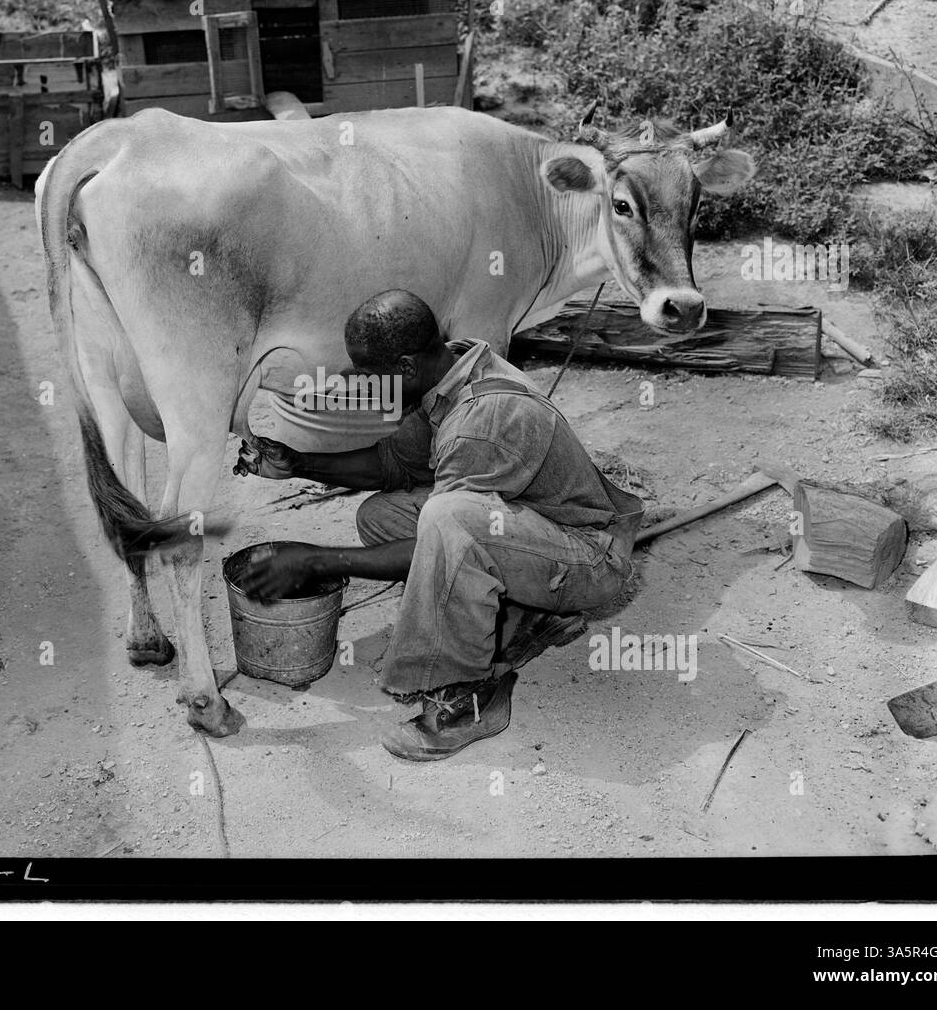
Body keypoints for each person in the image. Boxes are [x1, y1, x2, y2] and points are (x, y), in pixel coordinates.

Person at [234, 290, 643, 761]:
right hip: (538, 529)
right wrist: (298, 463)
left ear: (406, 367)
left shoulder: (480, 421)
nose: (360, 382)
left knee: (450, 521)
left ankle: (468, 693)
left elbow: (447, 537)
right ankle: (521, 615)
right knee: (381, 515)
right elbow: (393, 463)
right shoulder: (451, 368)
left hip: (587, 558)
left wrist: (314, 559)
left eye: (369, 373)